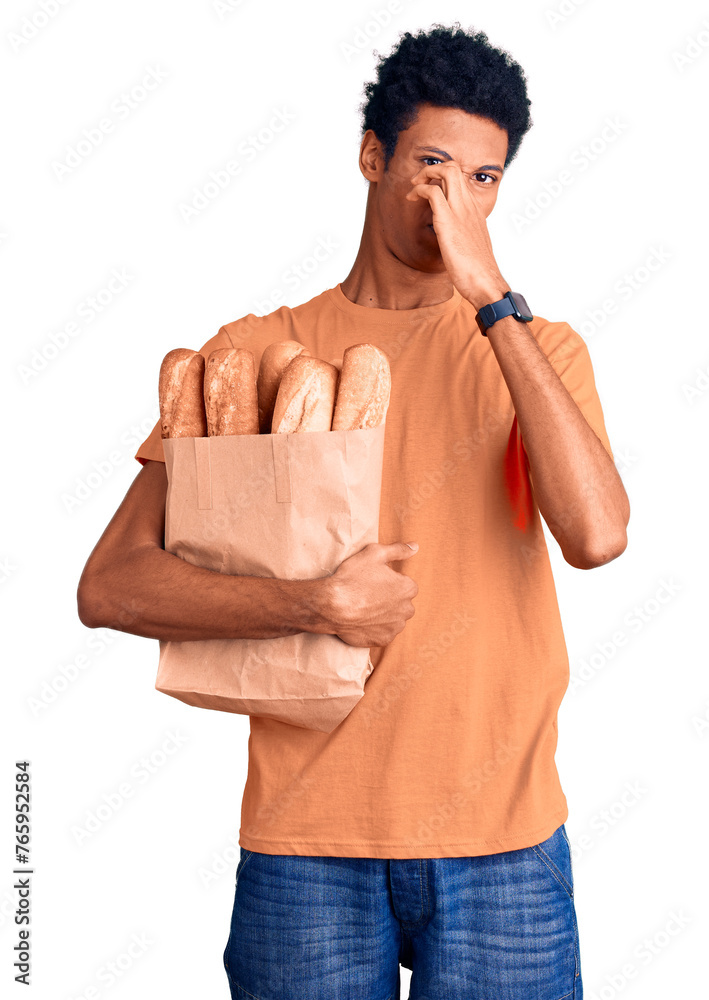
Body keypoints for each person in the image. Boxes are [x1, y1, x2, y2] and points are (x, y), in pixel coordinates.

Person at [77, 22, 630, 1000]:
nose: (453, 200)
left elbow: (597, 535)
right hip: (306, 843)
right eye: (431, 165)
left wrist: (490, 296)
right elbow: (111, 585)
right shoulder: (254, 352)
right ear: (372, 156)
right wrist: (314, 604)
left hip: (504, 841)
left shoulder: (538, 351)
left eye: (483, 178)